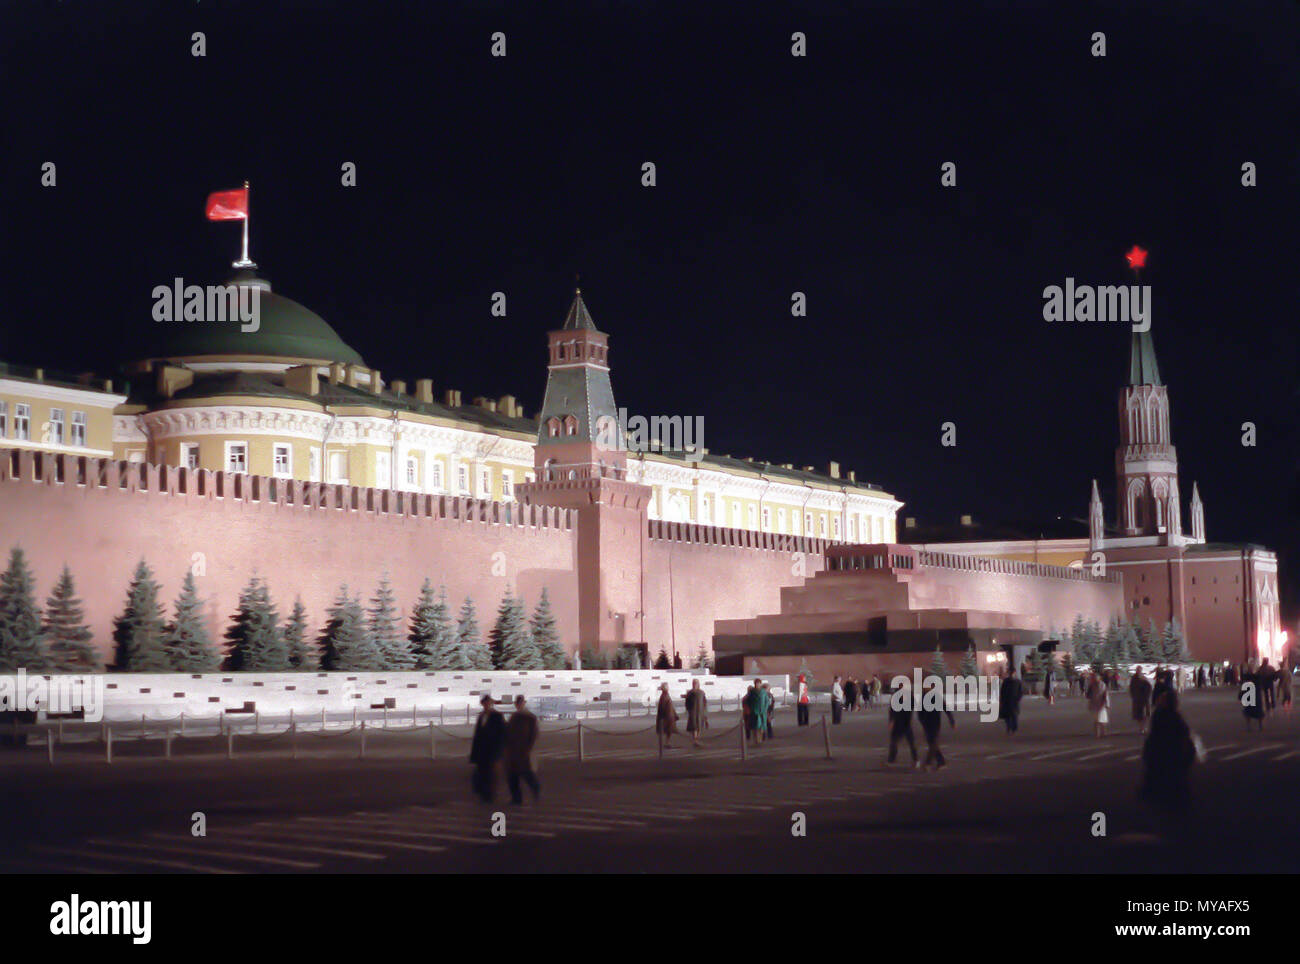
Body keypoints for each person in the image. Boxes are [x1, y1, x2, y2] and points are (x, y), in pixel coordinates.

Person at [1141, 690, 1196, 812]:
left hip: (1162, 753)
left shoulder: (1160, 715)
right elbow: (1184, 734)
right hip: (1172, 753)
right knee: (1174, 782)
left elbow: (1154, 736)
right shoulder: (1175, 717)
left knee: (1162, 781)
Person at [469, 694, 506, 803]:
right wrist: (474, 754)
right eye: (484, 703)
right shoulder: (481, 716)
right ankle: (484, 795)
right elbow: (477, 736)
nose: (486, 705)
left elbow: (502, 735)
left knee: (491, 774)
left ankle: (490, 795)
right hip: (481, 752)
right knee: (482, 773)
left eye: (488, 703)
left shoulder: (497, 716)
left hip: (493, 751)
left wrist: (499, 752)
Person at [504, 695, 540, 805]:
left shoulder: (530, 717)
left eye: (520, 702)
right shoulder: (514, 717)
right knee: (512, 776)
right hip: (513, 751)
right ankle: (516, 798)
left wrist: (528, 749)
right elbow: (508, 733)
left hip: (523, 751)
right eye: (517, 702)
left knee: (526, 773)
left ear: (524, 703)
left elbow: (533, 735)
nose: (519, 704)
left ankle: (535, 790)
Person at [916, 677, 956, 770]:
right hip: (926, 724)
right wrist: (921, 721)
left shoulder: (936, 696)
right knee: (932, 744)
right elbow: (919, 711)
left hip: (934, 723)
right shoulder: (923, 696)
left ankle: (929, 763)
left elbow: (946, 708)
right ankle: (941, 762)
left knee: (933, 743)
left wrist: (951, 721)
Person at [886, 678, 919, 768]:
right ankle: (891, 759)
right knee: (895, 742)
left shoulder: (908, 696)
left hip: (905, 722)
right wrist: (891, 721)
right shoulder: (896, 696)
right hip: (899, 722)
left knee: (910, 742)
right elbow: (892, 710)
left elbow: (913, 705)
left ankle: (916, 759)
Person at [1240, 661, 1265, 731]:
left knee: (1250, 711)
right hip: (1253, 694)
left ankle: (1251, 726)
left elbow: (1244, 684)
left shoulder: (1247, 676)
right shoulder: (1257, 676)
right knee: (1256, 711)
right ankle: (1259, 726)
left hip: (1250, 694)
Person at [998, 668, 1023, 735]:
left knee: (1014, 716)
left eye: (1012, 673)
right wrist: (1002, 700)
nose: (1011, 675)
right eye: (1010, 673)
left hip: (1014, 701)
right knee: (1007, 716)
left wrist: (1018, 699)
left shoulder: (1017, 682)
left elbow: (1020, 692)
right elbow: (1002, 691)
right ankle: (1009, 728)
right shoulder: (1006, 681)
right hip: (1007, 701)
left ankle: (1014, 729)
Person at [683, 678, 708, 745]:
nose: (695, 685)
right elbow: (687, 702)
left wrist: (704, 711)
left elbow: (704, 702)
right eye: (694, 683)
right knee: (694, 727)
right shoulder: (690, 693)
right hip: (693, 712)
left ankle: (696, 739)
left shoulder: (701, 692)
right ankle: (695, 739)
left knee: (698, 726)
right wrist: (688, 709)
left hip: (700, 712)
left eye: (696, 683)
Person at [1129, 667, 1153, 734]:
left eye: (1139, 670)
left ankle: (1143, 727)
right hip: (1137, 699)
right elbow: (1131, 688)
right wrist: (1133, 696)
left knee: (1145, 714)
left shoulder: (1144, 678)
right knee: (1139, 715)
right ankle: (1141, 728)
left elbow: (1149, 687)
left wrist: (1147, 696)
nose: (1138, 671)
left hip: (1144, 699)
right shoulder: (1134, 678)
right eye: (1137, 670)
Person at [656, 682, 679, 748]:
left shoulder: (665, 695)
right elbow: (664, 706)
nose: (668, 688)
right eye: (667, 687)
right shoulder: (664, 695)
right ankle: (667, 742)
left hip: (669, 715)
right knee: (668, 730)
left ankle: (667, 742)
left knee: (669, 731)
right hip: (668, 716)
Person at [1087, 674, 1109, 738]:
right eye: (1093, 678)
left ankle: (1103, 732)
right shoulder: (1091, 685)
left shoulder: (1103, 685)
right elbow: (1088, 695)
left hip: (1101, 704)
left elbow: (1106, 694)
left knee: (1102, 720)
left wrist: (1107, 704)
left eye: (1095, 678)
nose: (1094, 679)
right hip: (1094, 704)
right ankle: (1097, 733)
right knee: (1096, 720)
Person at [749, 678, 770, 744]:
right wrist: (752, 708)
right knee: (755, 726)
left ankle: (760, 738)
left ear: (760, 684)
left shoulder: (763, 692)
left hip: (762, 712)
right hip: (754, 712)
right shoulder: (752, 692)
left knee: (762, 726)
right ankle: (757, 739)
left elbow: (767, 701)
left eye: (758, 683)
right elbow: (748, 701)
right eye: (756, 683)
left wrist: (765, 708)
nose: (757, 685)